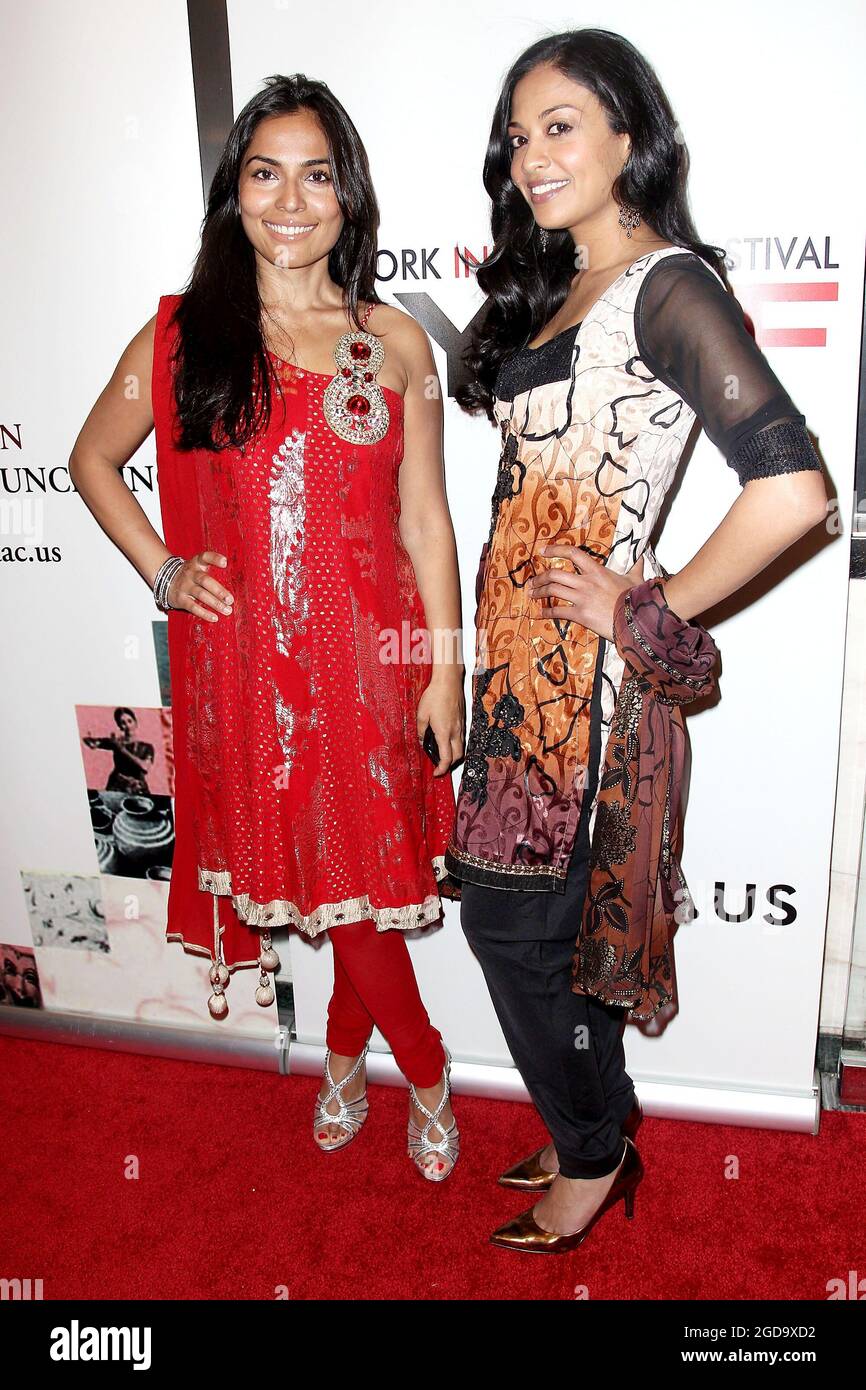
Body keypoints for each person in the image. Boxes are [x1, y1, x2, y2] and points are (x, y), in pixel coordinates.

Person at [444, 29, 828, 1250]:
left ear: (628, 136)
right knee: (533, 934)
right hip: (514, 674)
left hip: (584, 698)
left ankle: (592, 1151)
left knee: (516, 929)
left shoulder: (667, 285)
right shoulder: (562, 285)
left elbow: (794, 490)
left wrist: (642, 605)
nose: (531, 155)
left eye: (559, 125)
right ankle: (588, 1122)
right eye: (517, 134)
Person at [68, 74, 466, 1182]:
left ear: (349, 197)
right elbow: (91, 460)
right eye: (264, 172)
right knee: (347, 895)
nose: (291, 200)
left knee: (362, 890)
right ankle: (418, 1069)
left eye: (316, 174)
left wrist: (445, 672)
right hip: (252, 679)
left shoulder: (393, 345)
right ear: (232, 193)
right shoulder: (182, 334)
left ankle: (364, 1060)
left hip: (375, 669)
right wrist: (163, 566)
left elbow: (426, 521)